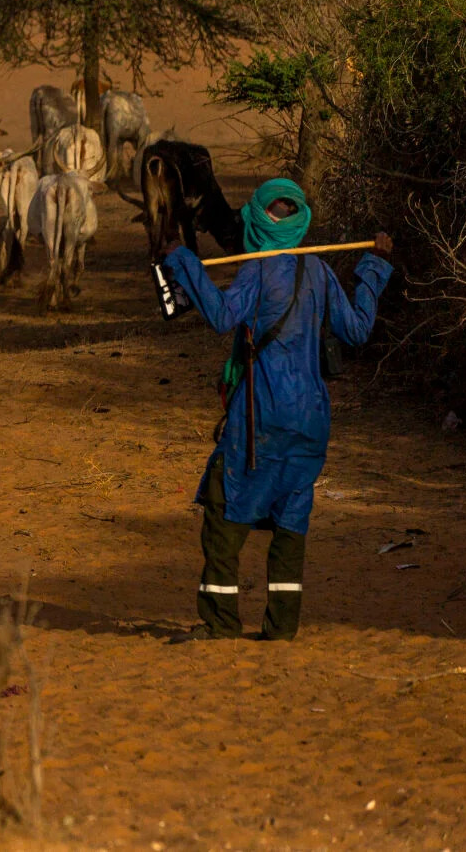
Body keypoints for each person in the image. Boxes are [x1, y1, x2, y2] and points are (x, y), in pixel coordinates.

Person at [160, 178, 392, 642]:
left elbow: (223, 316)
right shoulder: (319, 272)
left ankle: (222, 623)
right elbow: (359, 329)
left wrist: (184, 262)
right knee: (291, 520)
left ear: (259, 221)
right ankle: (281, 627)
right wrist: (376, 264)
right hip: (310, 422)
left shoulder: (258, 270)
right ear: (299, 221)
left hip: (260, 418)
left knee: (224, 512)